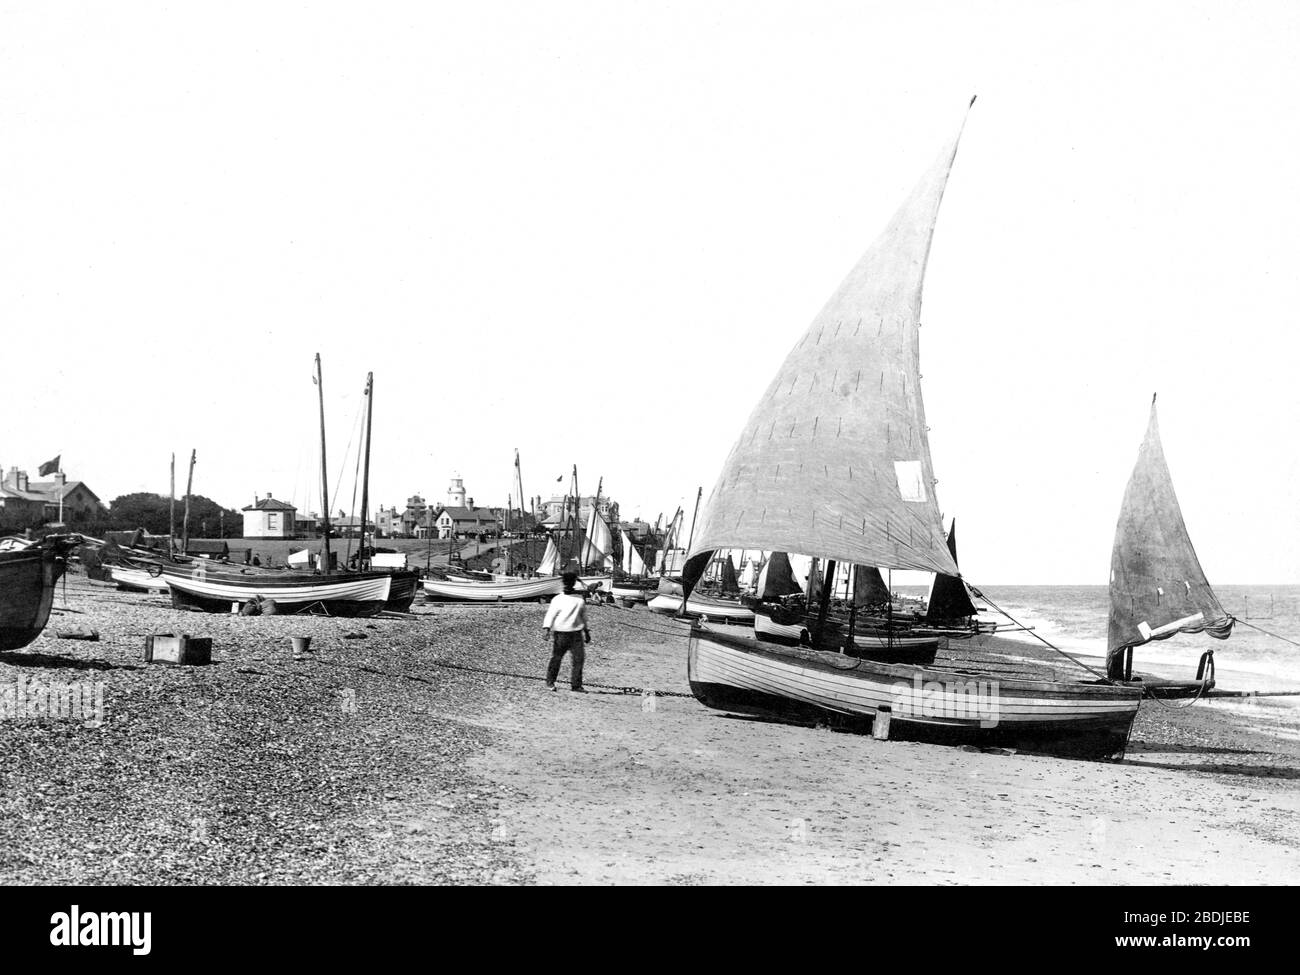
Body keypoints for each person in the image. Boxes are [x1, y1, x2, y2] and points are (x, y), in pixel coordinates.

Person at [542, 570, 590, 692]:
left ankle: (576, 685)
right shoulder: (557, 599)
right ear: (565, 584)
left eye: (571, 583)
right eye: (567, 583)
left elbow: (583, 618)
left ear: (573, 584)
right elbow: (550, 615)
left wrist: (587, 632)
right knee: (557, 658)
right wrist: (546, 629)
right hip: (561, 633)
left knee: (579, 659)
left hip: (576, 634)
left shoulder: (579, 600)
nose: (569, 585)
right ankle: (550, 682)